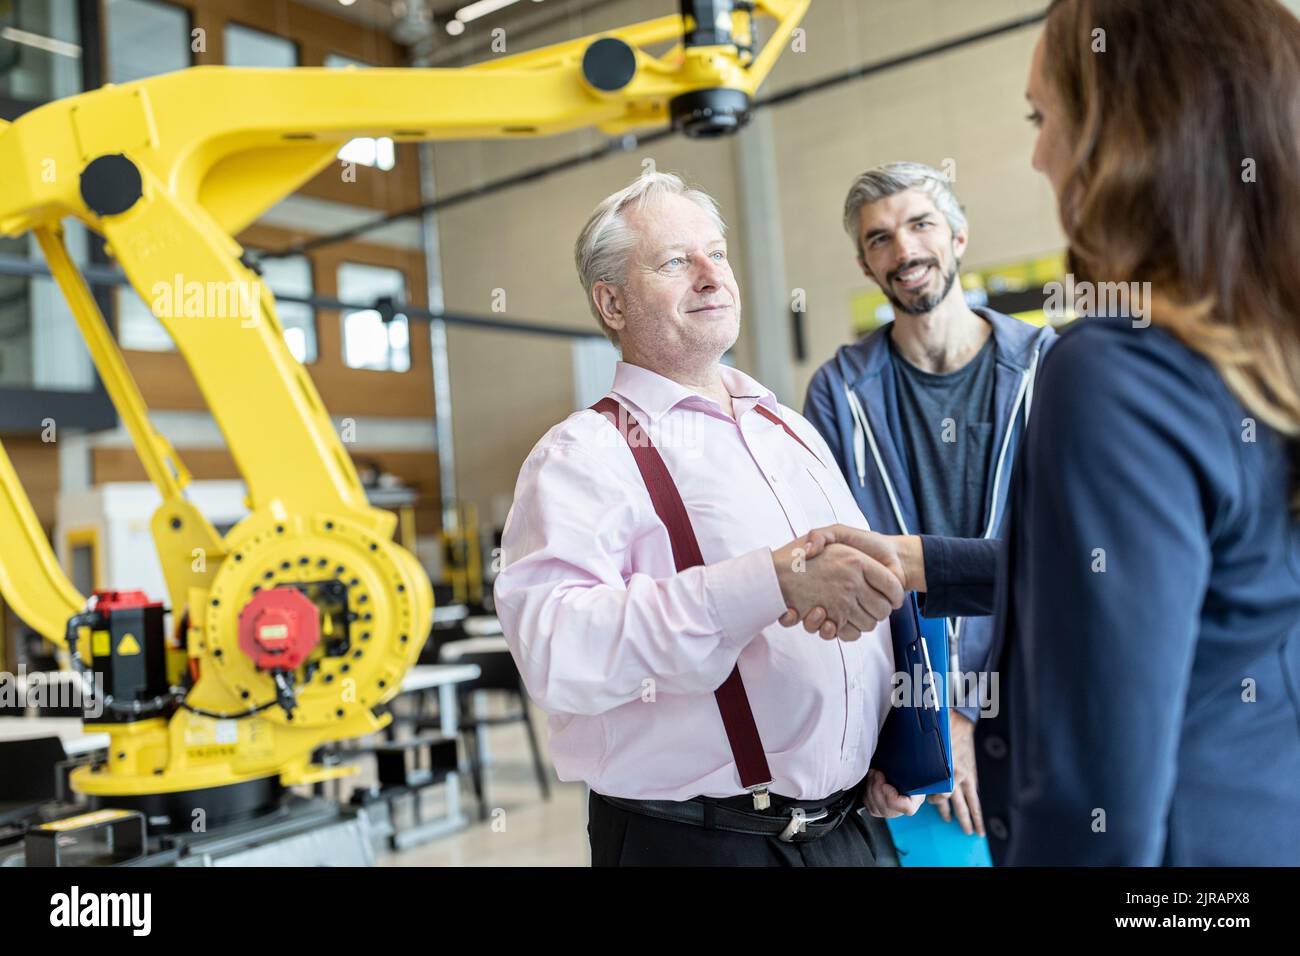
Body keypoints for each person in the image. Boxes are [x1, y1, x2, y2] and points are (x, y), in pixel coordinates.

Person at [803, 0, 1300, 865]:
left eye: (1045, 118)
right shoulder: (1261, 343)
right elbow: (1165, 577)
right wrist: (930, 565)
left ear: (1132, 132)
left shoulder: (1109, 370)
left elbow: (1096, 786)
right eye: (879, 237)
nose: (1037, 154)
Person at [493, 172, 922, 867]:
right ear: (612, 303)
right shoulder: (582, 453)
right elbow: (556, 649)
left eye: (717, 254)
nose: (710, 276)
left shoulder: (790, 428)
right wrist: (768, 584)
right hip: (702, 842)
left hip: (853, 830)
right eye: (673, 261)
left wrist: (879, 747)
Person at [803, 162, 1055, 860]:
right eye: (880, 238)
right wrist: (921, 724)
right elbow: (833, 567)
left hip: (1040, 717)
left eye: (921, 225)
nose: (904, 250)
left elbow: (1076, 562)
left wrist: (976, 713)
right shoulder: (839, 392)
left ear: (960, 235)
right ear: (864, 263)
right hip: (909, 738)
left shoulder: (1050, 369)